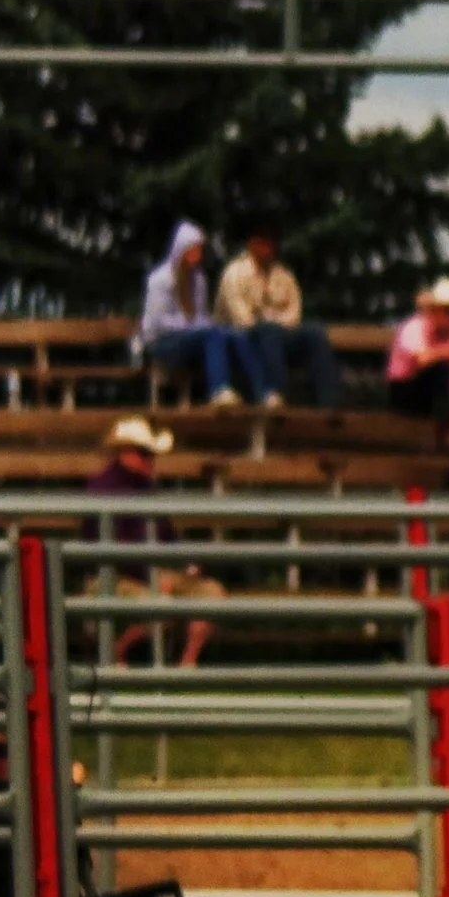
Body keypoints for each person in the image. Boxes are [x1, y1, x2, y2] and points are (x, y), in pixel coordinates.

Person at [90, 416, 225, 668]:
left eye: (151, 454)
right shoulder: (102, 489)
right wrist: (150, 575)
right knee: (161, 605)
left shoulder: (146, 487)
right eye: (145, 453)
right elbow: (113, 550)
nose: (151, 460)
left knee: (211, 593)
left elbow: (167, 535)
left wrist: (186, 562)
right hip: (116, 575)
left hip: (153, 570)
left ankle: (187, 663)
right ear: (124, 453)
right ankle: (117, 651)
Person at [215, 227, 342, 408]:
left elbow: (294, 314)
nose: (269, 248)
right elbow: (242, 319)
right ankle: (273, 394)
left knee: (315, 333)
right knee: (270, 333)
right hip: (241, 339)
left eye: (271, 243)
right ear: (252, 244)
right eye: (263, 243)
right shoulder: (235, 273)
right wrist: (271, 322)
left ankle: (330, 402)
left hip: (279, 334)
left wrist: (272, 321)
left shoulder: (283, 275)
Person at [138, 223, 260, 407]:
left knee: (233, 336)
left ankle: (261, 393)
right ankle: (218, 391)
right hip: (162, 342)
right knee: (211, 335)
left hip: (191, 337)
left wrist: (205, 324)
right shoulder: (161, 279)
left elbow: (201, 315)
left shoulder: (199, 279)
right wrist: (192, 326)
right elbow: (158, 322)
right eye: (194, 250)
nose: (198, 255)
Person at [387, 279, 449, 432]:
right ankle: (443, 430)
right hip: (405, 389)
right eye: (446, 311)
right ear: (433, 309)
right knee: (441, 370)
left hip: (434, 395)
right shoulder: (414, 327)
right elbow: (423, 360)